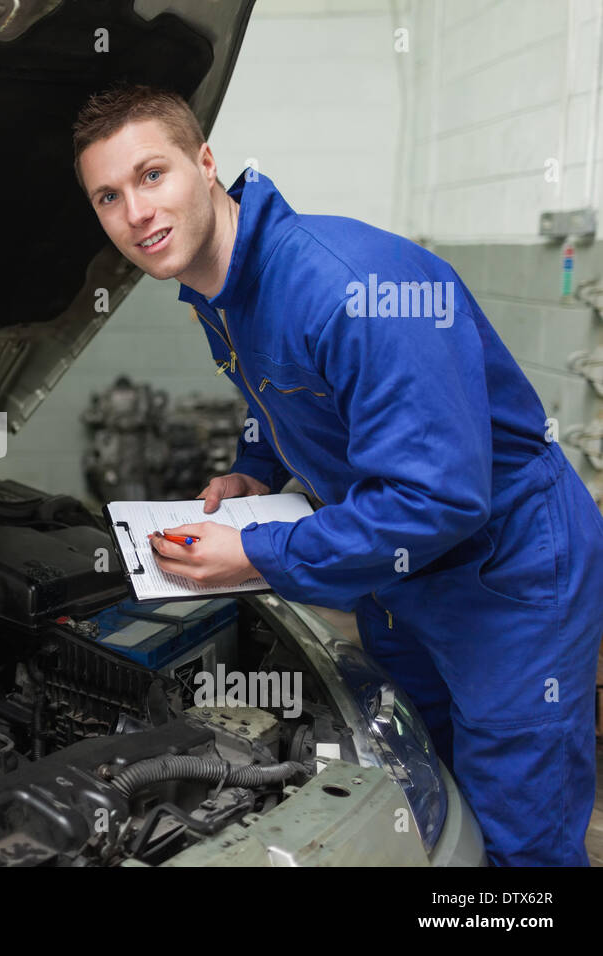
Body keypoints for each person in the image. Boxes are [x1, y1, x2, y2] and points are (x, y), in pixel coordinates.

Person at [73, 83, 603, 866]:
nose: (136, 213)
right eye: (108, 196)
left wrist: (259, 555)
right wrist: (255, 472)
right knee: (426, 788)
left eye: (153, 175)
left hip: (509, 574)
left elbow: (439, 495)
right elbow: (285, 401)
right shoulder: (224, 291)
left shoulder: (348, 290)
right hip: (400, 576)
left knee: (522, 831)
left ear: (206, 162)